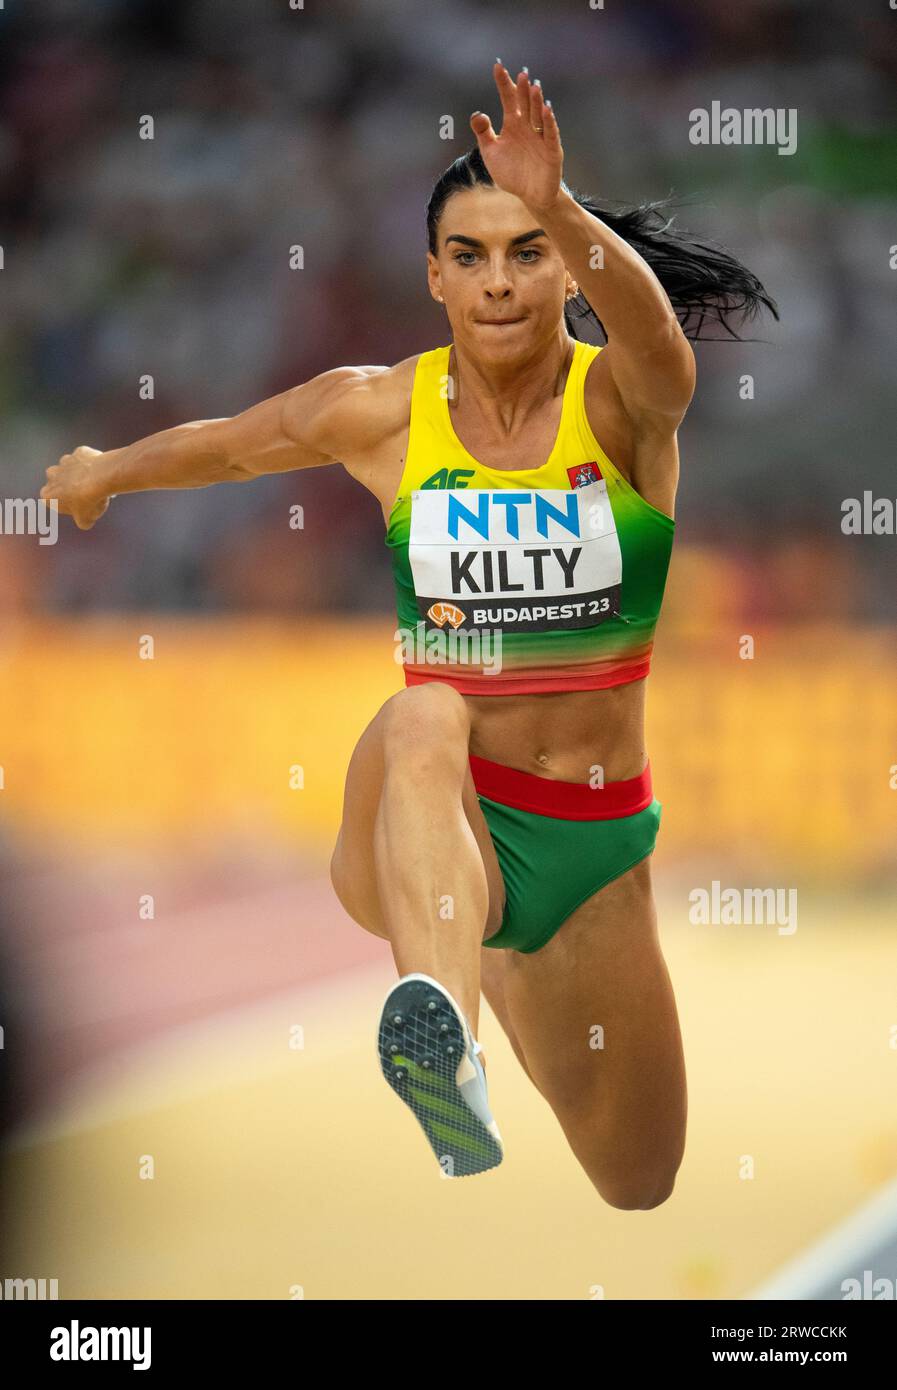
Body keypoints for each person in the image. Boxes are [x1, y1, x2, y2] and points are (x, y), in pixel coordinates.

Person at [41, 62, 777, 1199]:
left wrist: (564, 205)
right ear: (434, 276)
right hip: (431, 820)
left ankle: (484, 1012)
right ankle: (447, 1047)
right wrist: (102, 471)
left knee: (641, 1178)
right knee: (426, 711)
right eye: (470, 257)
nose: (497, 285)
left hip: (592, 844)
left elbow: (665, 350)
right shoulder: (381, 410)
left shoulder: (622, 405)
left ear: (564, 272)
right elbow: (234, 444)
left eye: (526, 252)